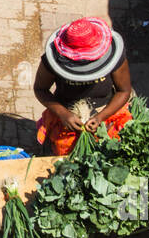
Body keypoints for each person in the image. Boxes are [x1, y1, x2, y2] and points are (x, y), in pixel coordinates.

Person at [32, 17, 133, 156]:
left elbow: (124, 91)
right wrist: (63, 113)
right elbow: (40, 89)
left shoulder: (114, 59)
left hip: (106, 112)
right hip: (67, 118)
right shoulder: (52, 61)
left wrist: (100, 117)